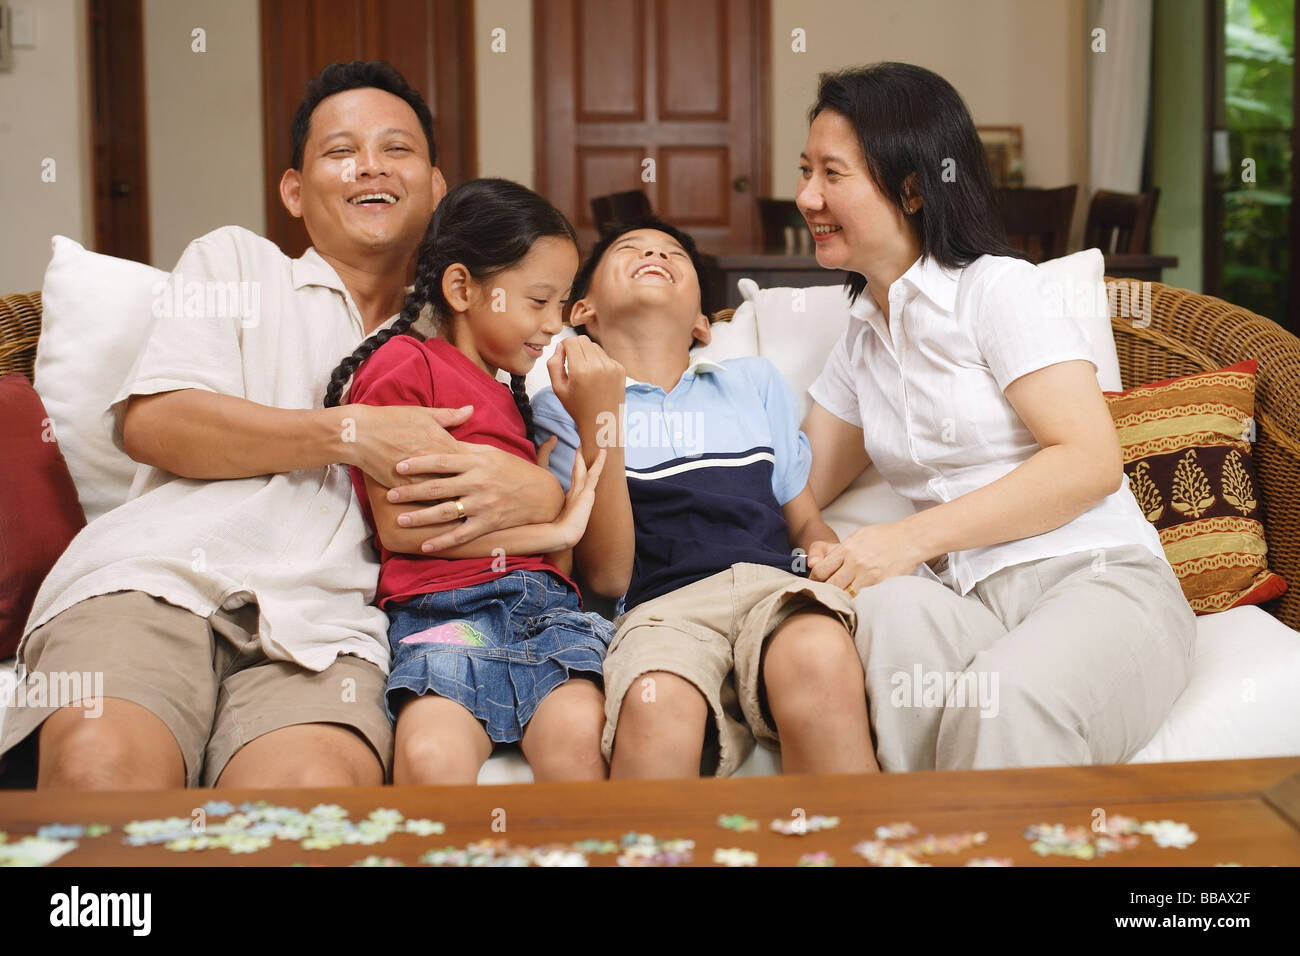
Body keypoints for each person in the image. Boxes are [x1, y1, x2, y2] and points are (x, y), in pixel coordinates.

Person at [0, 61, 568, 790]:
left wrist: (544, 494)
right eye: (340, 151)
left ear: (434, 187)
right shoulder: (237, 264)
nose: (370, 166)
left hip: (330, 627)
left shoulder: (469, 337)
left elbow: (542, 465)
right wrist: (350, 433)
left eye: (397, 149)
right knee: (103, 770)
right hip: (153, 582)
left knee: (305, 809)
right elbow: (157, 421)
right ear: (294, 191)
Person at [795, 62, 1195, 771]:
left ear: (913, 187)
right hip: (966, 602)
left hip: (1096, 583)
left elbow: (1089, 461)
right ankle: (924, 840)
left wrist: (907, 540)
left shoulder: (999, 290)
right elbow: (796, 481)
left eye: (831, 174)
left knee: (1003, 696)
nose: (806, 197)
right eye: (805, 172)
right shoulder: (862, 335)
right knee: (886, 611)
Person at [530, 218, 877, 779]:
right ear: (582, 312)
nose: (654, 252)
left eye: (674, 253)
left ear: (700, 322)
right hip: (659, 608)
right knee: (656, 700)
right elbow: (604, 577)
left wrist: (825, 553)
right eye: (630, 248)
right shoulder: (560, 406)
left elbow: (805, 518)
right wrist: (602, 414)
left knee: (819, 651)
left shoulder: (753, 383)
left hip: (771, 587)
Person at [326, 179, 613, 785]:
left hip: (543, 612)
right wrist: (556, 520)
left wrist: (558, 520)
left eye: (563, 304)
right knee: (431, 759)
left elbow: (556, 558)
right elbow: (402, 531)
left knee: (581, 743)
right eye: (539, 302)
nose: (554, 325)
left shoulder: (519, 402)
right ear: (462, 288)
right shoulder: (408, 365)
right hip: (443, 614)